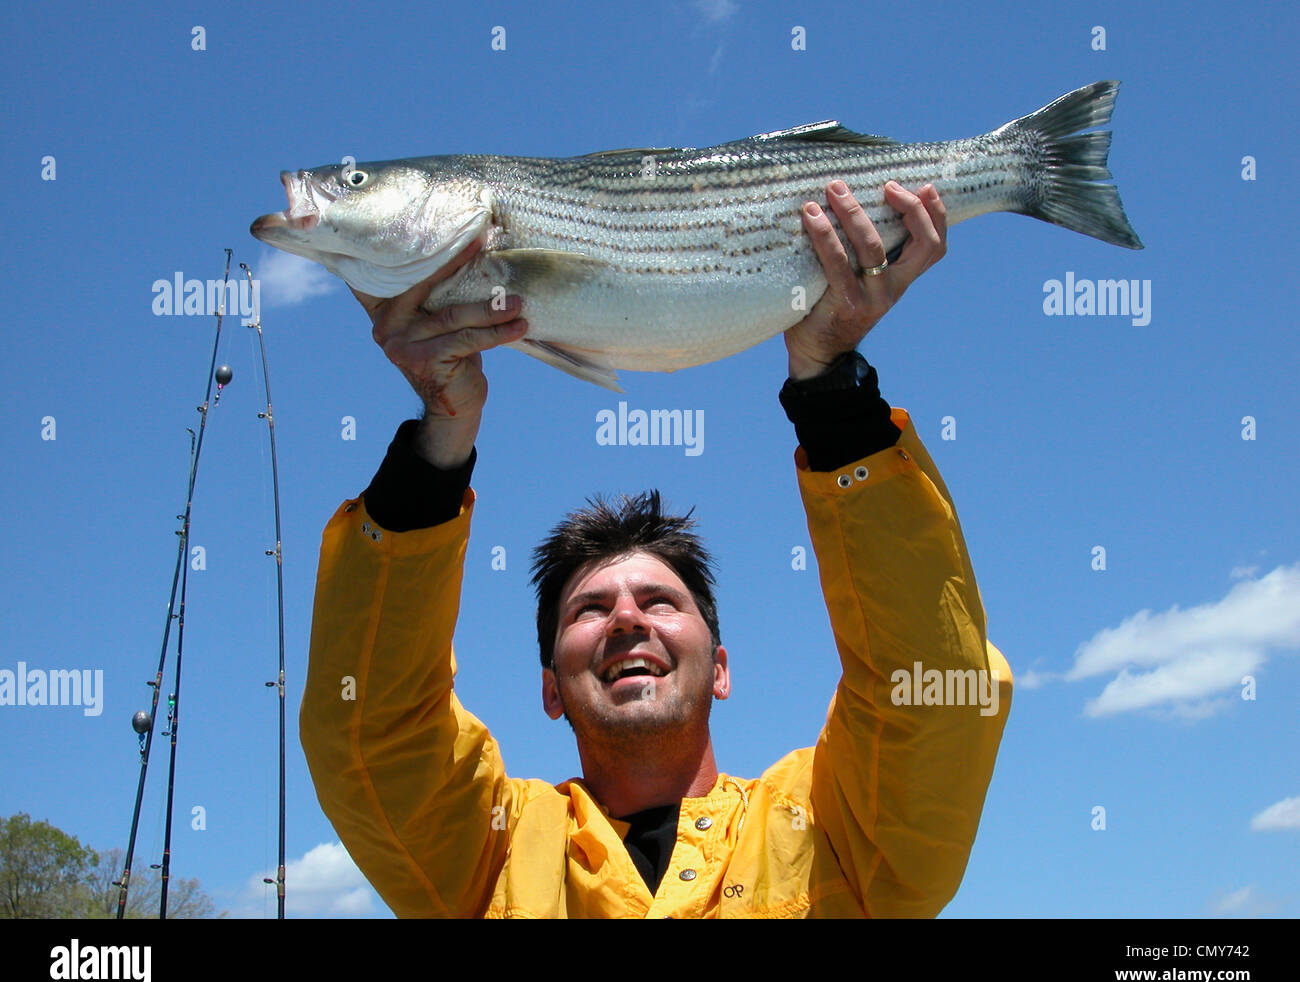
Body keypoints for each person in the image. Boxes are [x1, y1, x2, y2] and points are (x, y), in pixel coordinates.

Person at [300, 180, 1013, 918]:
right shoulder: (488, 850)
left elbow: (936, 689)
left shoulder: (834, 830)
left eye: (661, 600)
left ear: (723, 666)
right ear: (550, 689)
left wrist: (833, 387)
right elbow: (367, 733)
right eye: (589, 609)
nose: (627, 620)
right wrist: (437, 441)